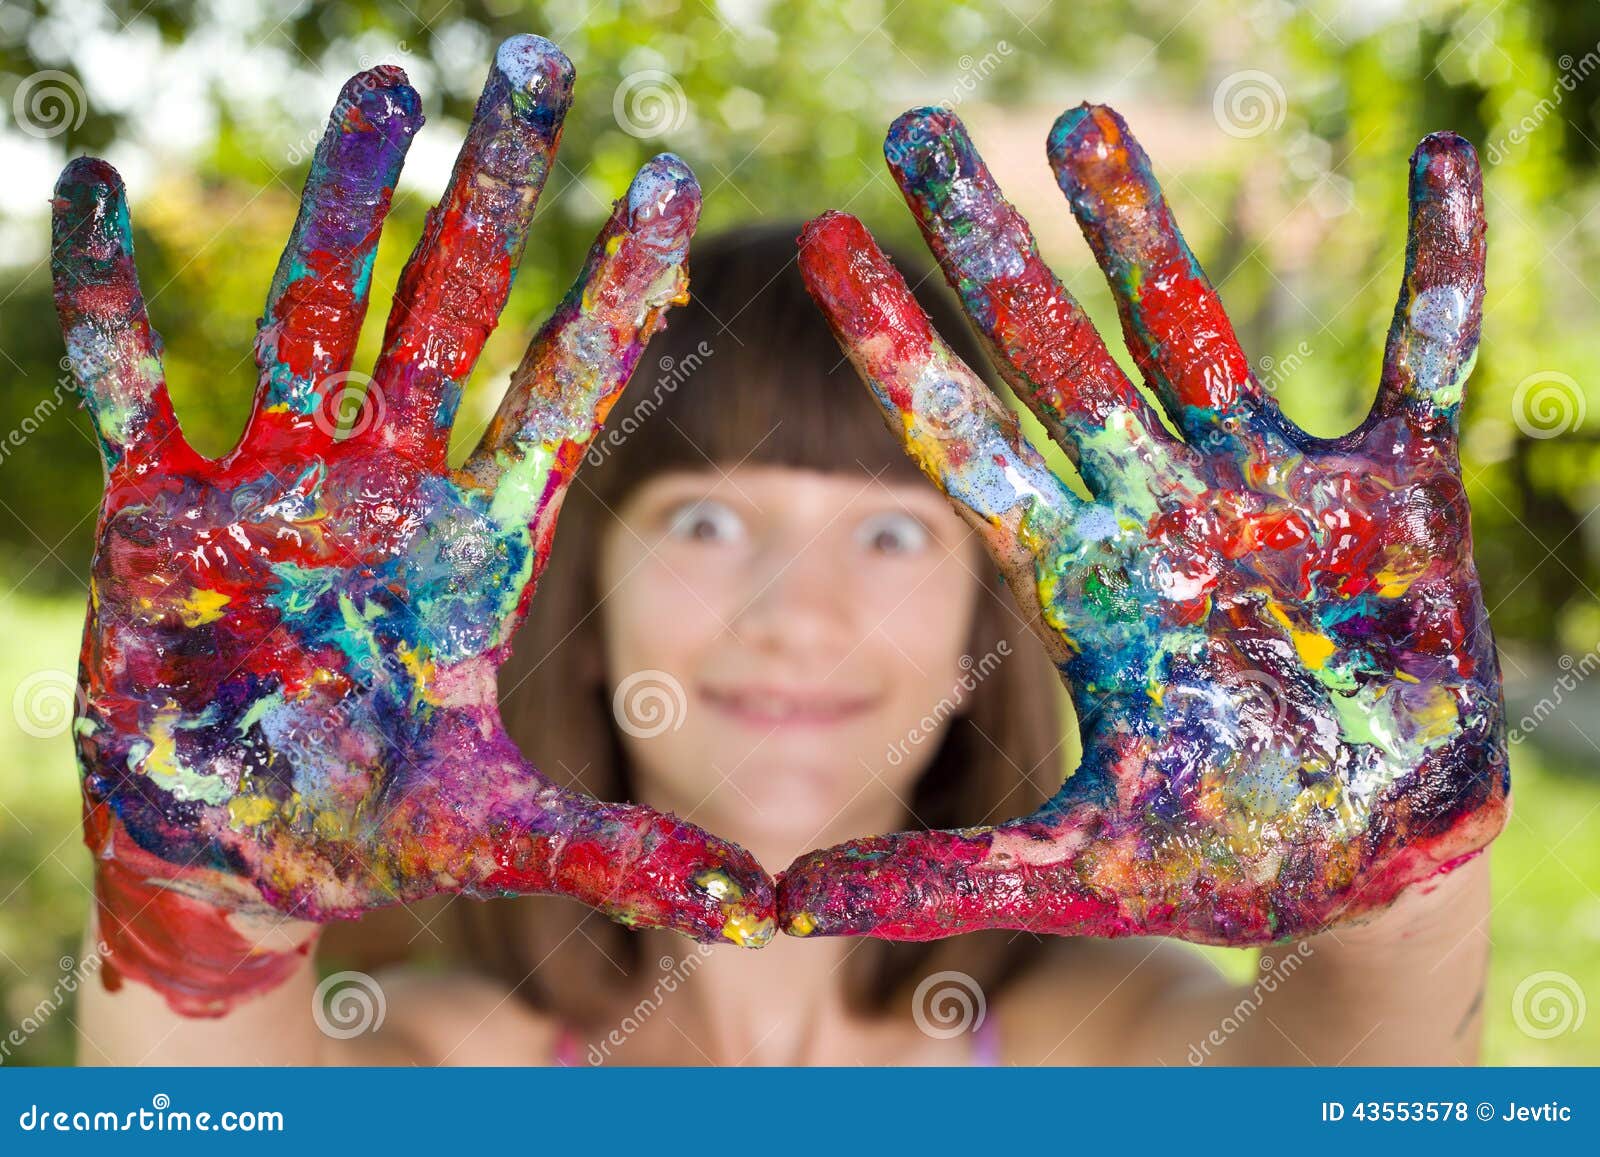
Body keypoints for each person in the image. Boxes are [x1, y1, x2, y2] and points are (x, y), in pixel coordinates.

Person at [78, 221, 1493, 1067]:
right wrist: (205, 896)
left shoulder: (1103, 1029)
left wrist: (1397, 882)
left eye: (890, 533)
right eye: (703, 521)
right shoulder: (448, 1056)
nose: (794, 615)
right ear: (571, 615)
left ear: (992, 632)